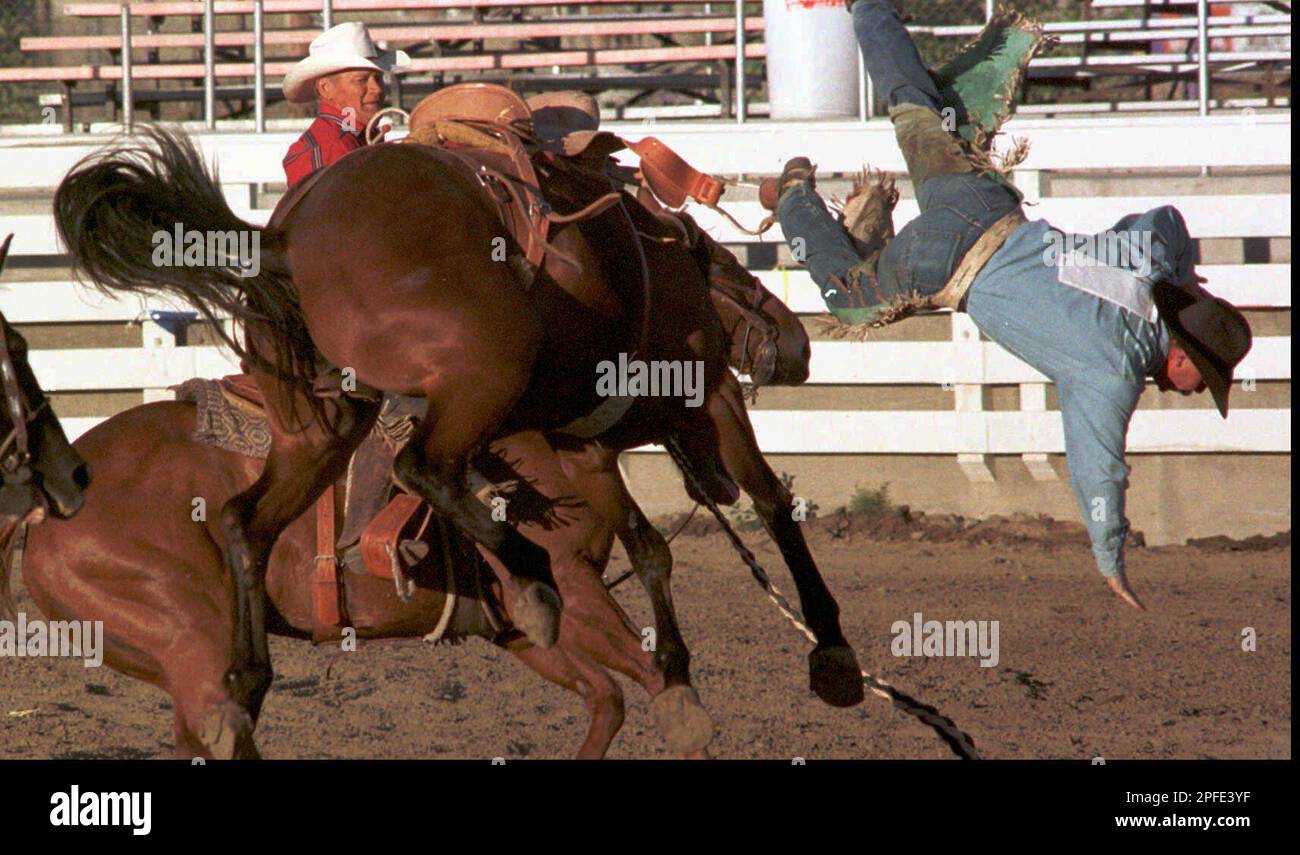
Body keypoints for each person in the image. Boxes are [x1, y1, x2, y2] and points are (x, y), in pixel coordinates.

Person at [765, 0, 1253, 611]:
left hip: (983, 199)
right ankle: (792, 196)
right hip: (947, 264)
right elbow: (1098, 473)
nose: (1187, 390)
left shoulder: (1150, 265)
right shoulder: (1110, 373)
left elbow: (1168, 221)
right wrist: (1110, 560)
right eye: (1197, 378)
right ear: (1181, 352)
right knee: (850, 300)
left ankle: (867, 7)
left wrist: (1182, 280)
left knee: (913, 106)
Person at [281, 22, 410, 189]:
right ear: (326, 88)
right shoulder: (328, 149)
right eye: (361, 80)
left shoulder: (355, 137)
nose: (377, 89)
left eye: (378, 79)